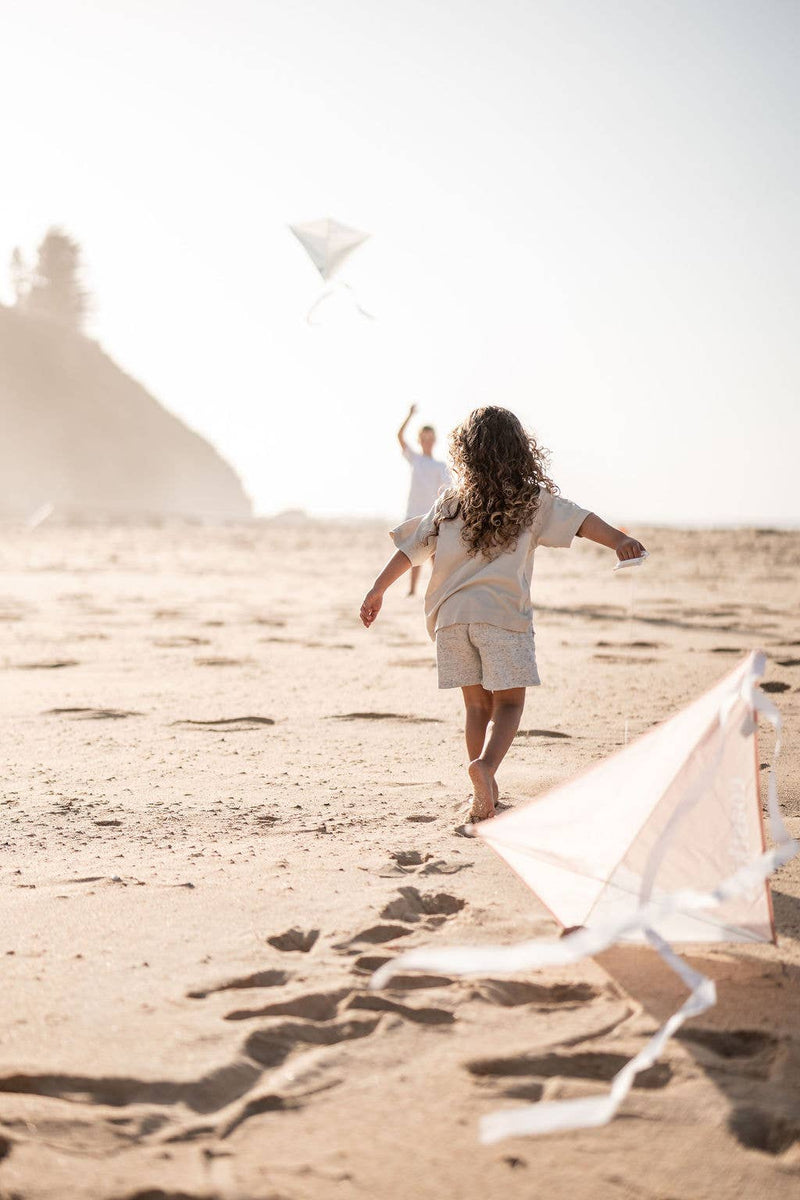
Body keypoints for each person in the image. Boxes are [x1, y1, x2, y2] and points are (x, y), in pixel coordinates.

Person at [361, 406, 646, 823]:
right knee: (510, 703)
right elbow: (582, 522)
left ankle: (486, 790)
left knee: (476, 708)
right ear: (519, 451)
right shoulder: (531, 500)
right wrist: (620, 540)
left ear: (465, 454)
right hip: (502, 617)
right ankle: (487, 769)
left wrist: (377, 589)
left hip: (451, 619)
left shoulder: (451, 503)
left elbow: (409, 551)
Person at [397, 404, 451, 596]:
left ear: (434, 440)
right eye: (424, 438)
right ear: (419, 440)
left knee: (435, 556)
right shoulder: (415, 459)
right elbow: (400, 437)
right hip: (413, 514)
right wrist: (409, 415)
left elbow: (447, 490)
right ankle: (412, 590)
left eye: (430, 438)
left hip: (432, 515)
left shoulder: (439, 465)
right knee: (413, 555)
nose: (427, 441)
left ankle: (439, 591)